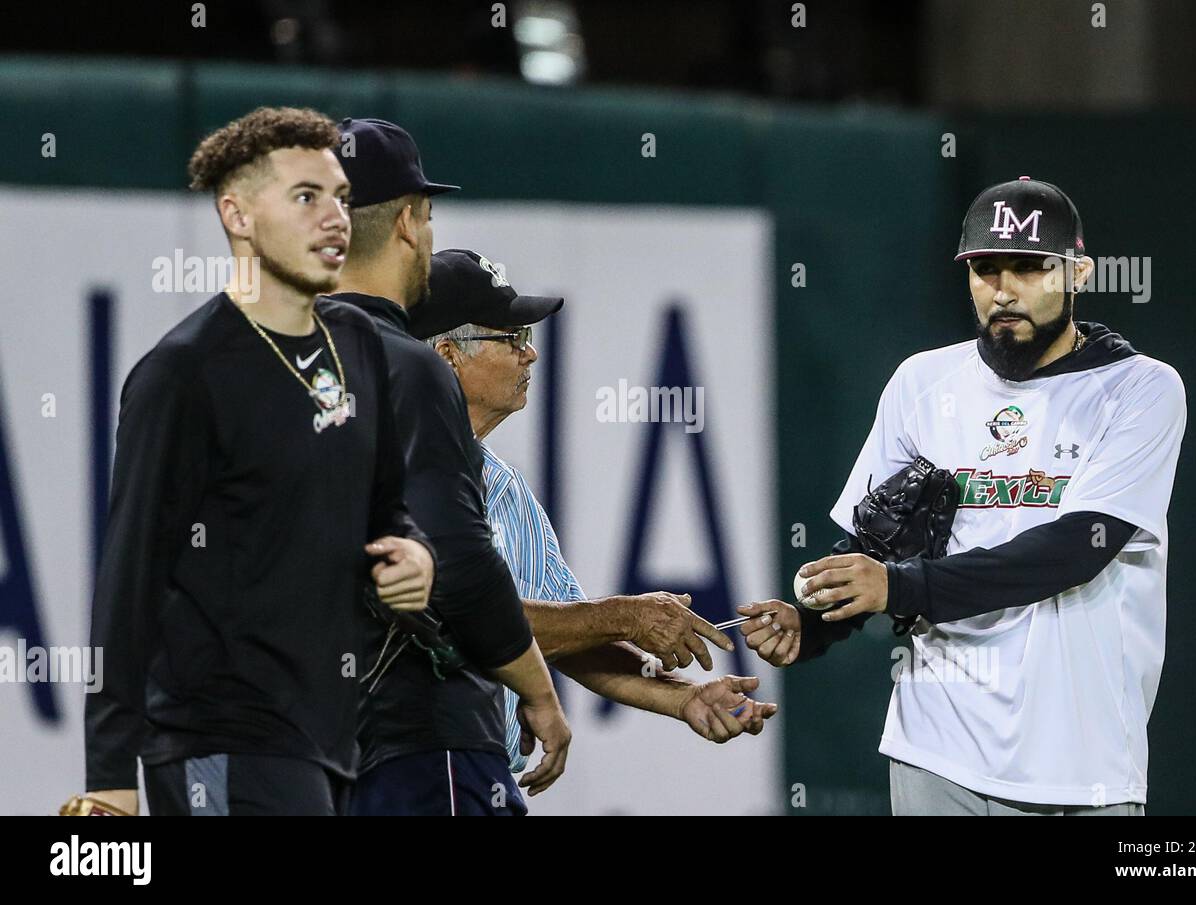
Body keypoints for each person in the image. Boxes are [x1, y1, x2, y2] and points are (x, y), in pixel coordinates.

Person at [739, 177, 1186, 816]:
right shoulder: (923, 381)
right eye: (985, 269)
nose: (1004, 289)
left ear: (1078, 273)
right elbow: (879, 542)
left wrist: (898, 587)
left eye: (1029, 268)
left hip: (1083, 762)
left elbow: (1075, 550)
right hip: (938, 746)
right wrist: (810, 621)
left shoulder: (1140, 390)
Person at [80, 107, 435, 816]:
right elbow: (129, 580)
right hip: (217, 735)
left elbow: (387, 509)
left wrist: (415, 555)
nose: (334, 217)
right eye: (306, 197)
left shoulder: (358, 346)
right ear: (237, 214)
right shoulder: (184, 373)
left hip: (328, 739)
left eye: (340, 197)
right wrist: (109, 772)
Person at [411, 249, 777, 791]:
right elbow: (459, 615)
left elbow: (568, 633)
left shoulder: (506, 489)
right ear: (447, 355)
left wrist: (682, 698)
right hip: (413, 761)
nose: (530, 354)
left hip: (478, 770)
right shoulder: (397, 462)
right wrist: (623, 615)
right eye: (510, 339)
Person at [325, 117, 570, 813]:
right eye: (428, 216)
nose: (529, 353)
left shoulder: (261, 364)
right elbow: (459, 563)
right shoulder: (408, 365)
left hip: (298, 744)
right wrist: (536, 689)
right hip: (422, 735)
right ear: (407, 222)